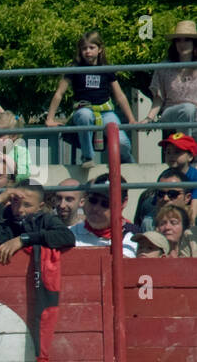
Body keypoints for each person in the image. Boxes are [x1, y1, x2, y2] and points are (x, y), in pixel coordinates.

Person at [44, 30, 137, 168]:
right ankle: (88, 157)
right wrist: (50, 119)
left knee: (121, 141)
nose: (88, 51)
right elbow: (59, 93)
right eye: (84, 48)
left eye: (91, 47)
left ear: (100, 49)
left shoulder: (106, 69)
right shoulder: (75, 68)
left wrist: (131, 119)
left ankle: (128, 161)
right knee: (84, 115)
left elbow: (120, 95)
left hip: (105, 111)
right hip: (84, 108)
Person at [144, 20, 197, 130]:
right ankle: (184, 141)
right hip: (171, 115)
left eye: (187, 40)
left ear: (194, 43)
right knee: (188, 109)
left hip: (195, 120)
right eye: (178, 40)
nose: (182, 44)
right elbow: (158, 98)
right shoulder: (164, 67)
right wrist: (149, 118)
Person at [70, 175, 137, 256]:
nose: (96, 208)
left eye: (105, 203)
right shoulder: (69, 234)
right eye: (93, 200)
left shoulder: (132, 240)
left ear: (123, 203)